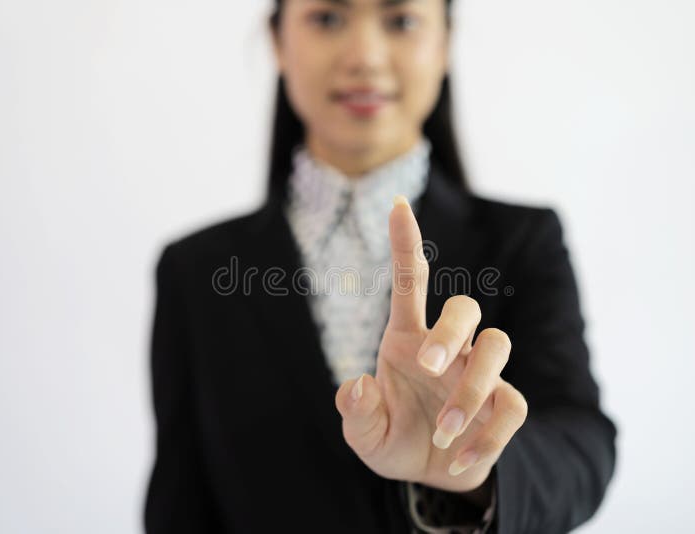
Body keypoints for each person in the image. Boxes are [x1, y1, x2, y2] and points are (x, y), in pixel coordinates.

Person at [143, 0, 617, 532]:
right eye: (327, 18)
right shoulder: (195, 271)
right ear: (277, 40)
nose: (365, 56)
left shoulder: (523, 243)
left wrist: (477, 470)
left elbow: (583, 448)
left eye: (401, 21)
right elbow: (180, 508)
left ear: (445, 43)